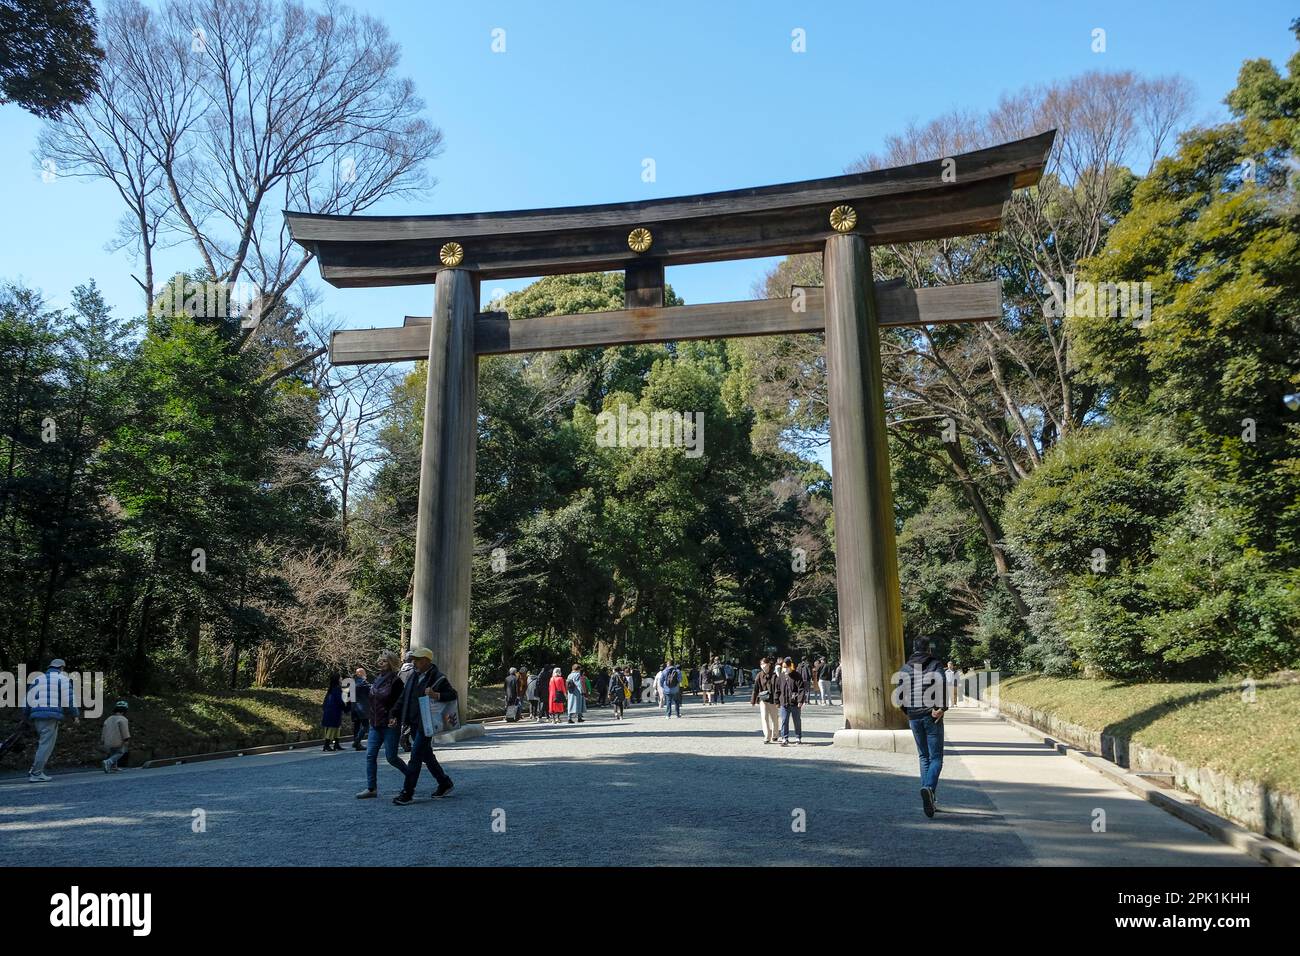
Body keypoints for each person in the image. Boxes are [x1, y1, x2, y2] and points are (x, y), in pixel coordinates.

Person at [392, 647, 455, 805]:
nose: (415, 662)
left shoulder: (439, 678)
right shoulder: (413, 676)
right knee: (427, 756)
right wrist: (394, 713)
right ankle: (444, 782)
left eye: (418, 659)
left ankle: (407, 792)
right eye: (414, 659)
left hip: (426, 724)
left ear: (427, 661)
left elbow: (453, 695)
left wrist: (437, 695)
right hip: (413, 722)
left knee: (415, 756)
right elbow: (403, 697)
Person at [898, 637, 948, 817]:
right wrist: (941, 708)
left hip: (914, 716)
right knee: (936, 758)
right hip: (931, 715)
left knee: (923, 756)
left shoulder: (905, 667)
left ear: (913, 648)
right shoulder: (934, 664)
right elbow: (942, 685)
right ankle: (928, 789)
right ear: (928, 649)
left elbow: (900, 694)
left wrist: (908, 711)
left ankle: (929, 798)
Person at [357, 650, 409, 799]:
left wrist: (395, 716)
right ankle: (371, 788)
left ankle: (411, 776)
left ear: (391, 663)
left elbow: (400, 702)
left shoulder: (396, 681)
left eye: (384, 660)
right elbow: (372, 700)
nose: (380, 662)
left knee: (391, 758)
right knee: (370, 756)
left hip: (389, 724)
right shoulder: (376, 678)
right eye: (380, 660)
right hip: (375, 723)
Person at [27, 658, 79, 782]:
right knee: (46, 745)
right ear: (61, 668)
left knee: (42, 742)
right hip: (51, 716)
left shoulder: (37, 679)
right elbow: (69, 699)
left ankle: (34, 769)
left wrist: (26, 715)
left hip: (36, 716)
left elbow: (28, 699)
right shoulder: (63, 680)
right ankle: (36, 773)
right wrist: (75, 715)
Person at [750, 657, 780, 744]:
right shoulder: (759, 675)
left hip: (773, 699)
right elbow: (755, 688)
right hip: (763, 699)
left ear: (769, 664)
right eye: (761, 664)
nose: (763, 666)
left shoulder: (774, 675)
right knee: (764, 717)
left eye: (765, 664)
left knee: (774, 718)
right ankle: (767, 736)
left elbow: (778, 688)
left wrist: (778, 700)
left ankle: (775, 734)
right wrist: (753, 700)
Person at [777, 657, 804, 746]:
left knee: (796, 720)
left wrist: (800, 700)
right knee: (784, 720)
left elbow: (801, 689)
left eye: (786, 667)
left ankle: (798, 737)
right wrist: (777, 701)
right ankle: (784, 738)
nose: (785, 669)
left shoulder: (797, 675)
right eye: (783, 667)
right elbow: (777, 689)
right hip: (784, 702)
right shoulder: (781, 676)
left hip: (795, 702)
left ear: (790, 666)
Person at [101, 700, 131, 773]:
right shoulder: (123, 719)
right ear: (124, 710)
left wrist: (102, 739)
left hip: (108, 740)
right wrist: (126, 739)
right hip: (118, 740)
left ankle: (114, 767)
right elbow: (124, 730)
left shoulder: (108, 718)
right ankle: (108, 762)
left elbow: (104, 729)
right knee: (120, 752)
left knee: (113, 753)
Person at [322, 673, 345, 751]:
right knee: (332, 727)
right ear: (337, 679)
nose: (342, 679)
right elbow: (340, 700)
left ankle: (336, 744)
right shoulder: (337, 689)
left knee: (336, 727)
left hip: (330, 710)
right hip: (334, 710)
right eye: (340, 678)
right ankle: (327, 744)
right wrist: (345, 707)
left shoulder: (331, 689)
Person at [351, 666, 371, 749]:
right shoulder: (364, 683)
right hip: (362, 707)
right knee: (366, 726)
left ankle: (357, 742)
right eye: (365, 673)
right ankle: (357, 741)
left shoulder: (352, 683)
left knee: (357, 725)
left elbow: (350, 697)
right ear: (362, 674)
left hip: (354, 707)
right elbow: (371, 694)